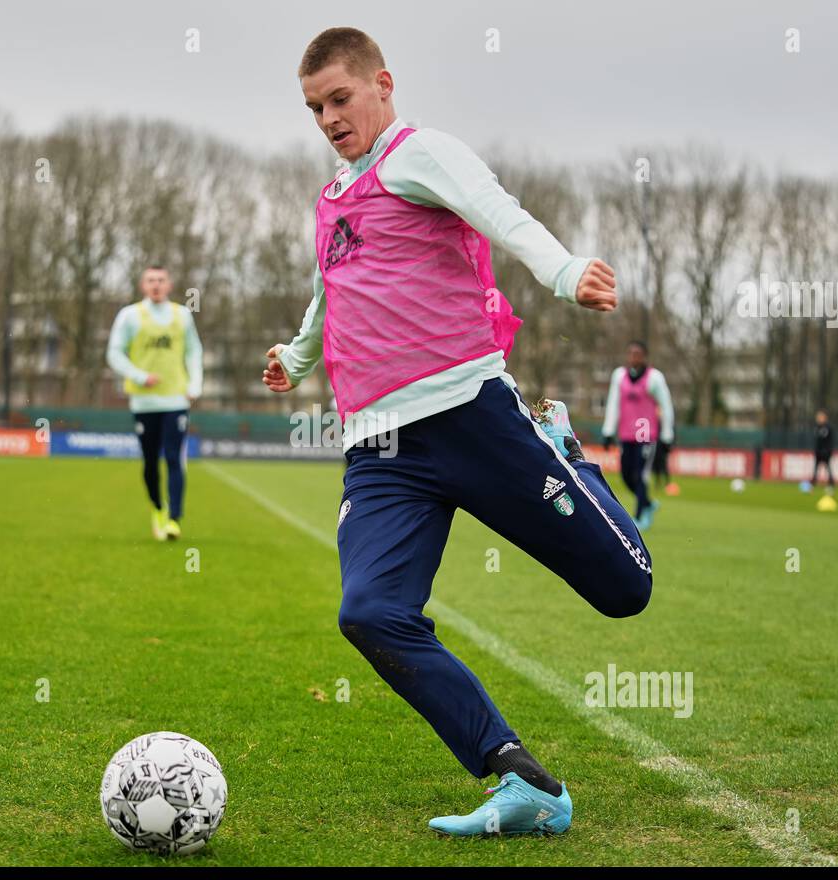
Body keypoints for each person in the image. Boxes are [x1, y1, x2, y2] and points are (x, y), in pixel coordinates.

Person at [261, 28, 651, 838]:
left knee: (625, 591)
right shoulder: (335, 197)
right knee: (370, 612)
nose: (329, 118)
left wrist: (564, 272)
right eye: (314, 108)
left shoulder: (420, 153)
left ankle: (568, 456)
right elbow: (329, 288)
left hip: (470, 415)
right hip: (380, 451)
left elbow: (497, 213)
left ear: (382, 84)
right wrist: (296, 358)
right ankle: (520, 779)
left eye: (339, 98)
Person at [106, 265, 203, 540]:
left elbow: (194, 350)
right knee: (150, 462)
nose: (156, 284)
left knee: (174, 457)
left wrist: (195, 384)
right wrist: (138, 375)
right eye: (151, 280)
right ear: (143, 285)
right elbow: (114, 353)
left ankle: (174, 519)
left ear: (169, 284)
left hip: (175, 399)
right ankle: (158, 508)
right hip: (143, 401)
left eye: (161, 280)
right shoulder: (130, 316)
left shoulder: (182, 315)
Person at [600, 341, 676, 530]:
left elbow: (666, 407)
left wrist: (667, 436)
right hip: (626, 435)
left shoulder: (654, 378)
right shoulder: (619, 376)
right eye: (631, 353)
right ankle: (648, 504)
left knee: (641, 475)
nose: (634, 357)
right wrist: (608, 431)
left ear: (644, 357)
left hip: (646, 435)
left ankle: (640, 517)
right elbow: (613, 404)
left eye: (638, 354)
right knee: (626, 475)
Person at [812, 409, 835, 492]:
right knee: (816, 468)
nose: (818, 419)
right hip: (818, 452)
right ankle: (813, 483)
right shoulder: (817, 427)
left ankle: (831, 483)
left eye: (820, 417)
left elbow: (829, 441)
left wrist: (828, 450)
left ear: (824, 418)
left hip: (826, 451)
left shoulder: (828, 428)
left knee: (827, 467)